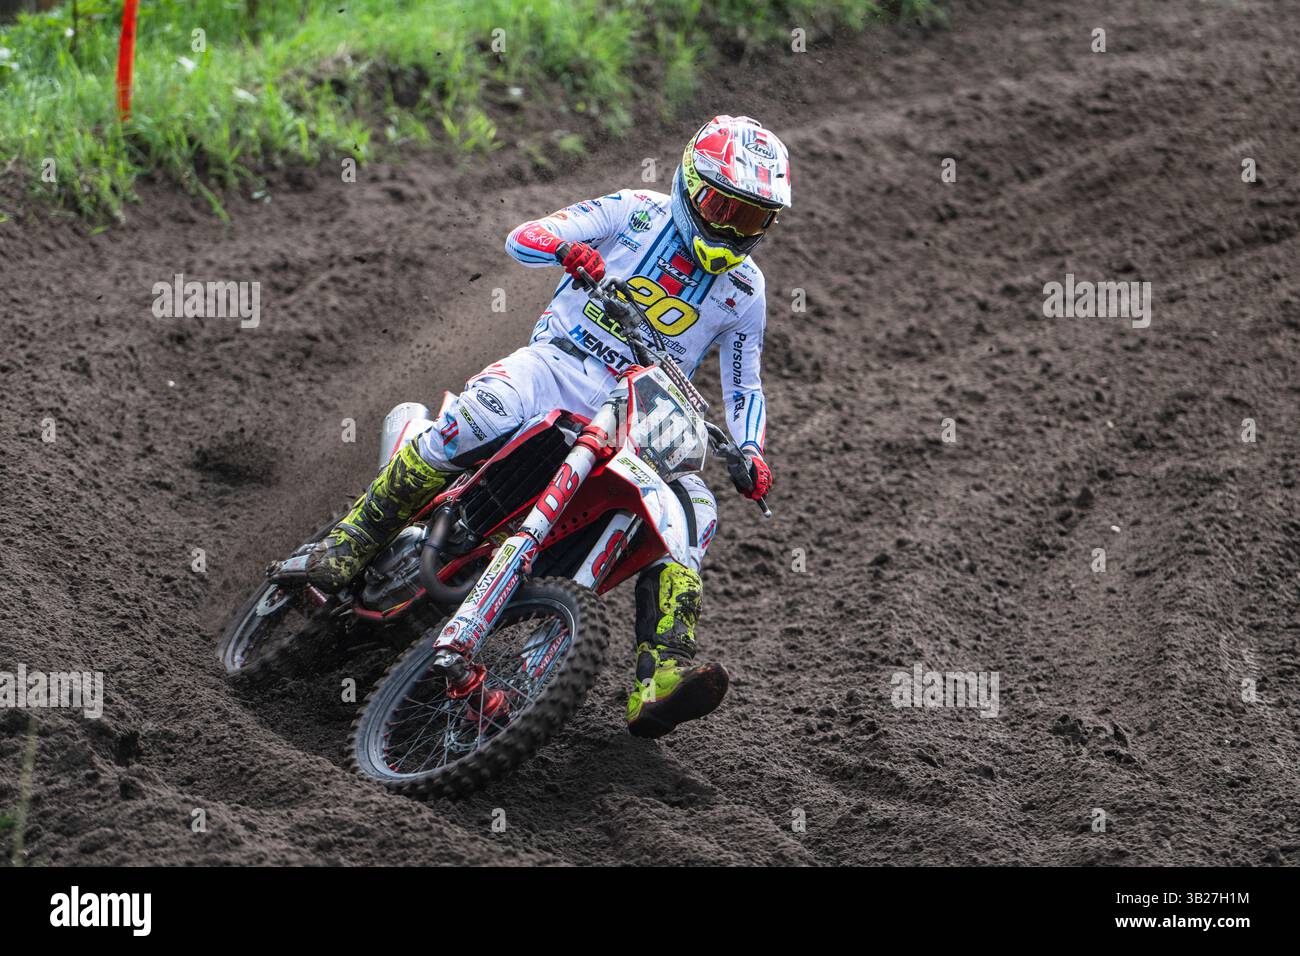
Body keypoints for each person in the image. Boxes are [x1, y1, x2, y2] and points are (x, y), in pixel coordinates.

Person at [304, 115, 791, 737]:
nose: (730, 229)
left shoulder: (746, 288)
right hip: (558, 364)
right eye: (723, 207)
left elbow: (745, 383)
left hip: (636, 412)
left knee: (695, 506)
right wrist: (565, 248)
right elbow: (525, 235)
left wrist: (749, 449)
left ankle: (660, 671)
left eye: (751, 219)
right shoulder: (637, 211)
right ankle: (356, 535)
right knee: (484, 415)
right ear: (689, 186)